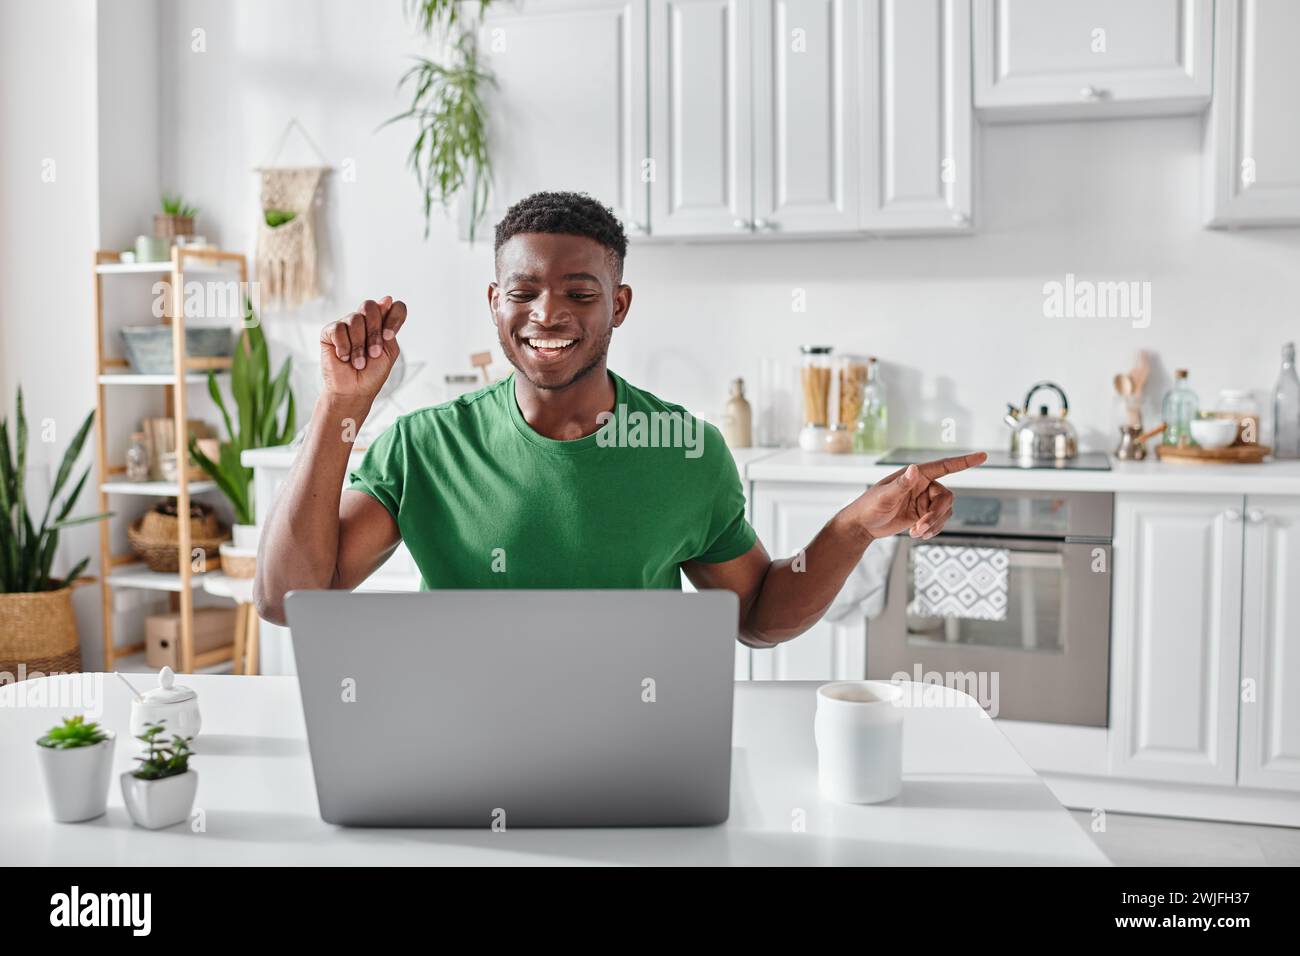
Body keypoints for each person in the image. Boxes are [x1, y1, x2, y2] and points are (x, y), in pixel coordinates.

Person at [254, 191, 985, 646]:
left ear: (619, 305)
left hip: (640, 742)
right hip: (463, 739)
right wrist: (342, 407)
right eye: (525, 291)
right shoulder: (425, 444)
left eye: (579, 292)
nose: (548, 313)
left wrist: (855, 524)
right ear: (495, 302)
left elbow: (758, 613)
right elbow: (291, 601)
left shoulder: (686, 451)